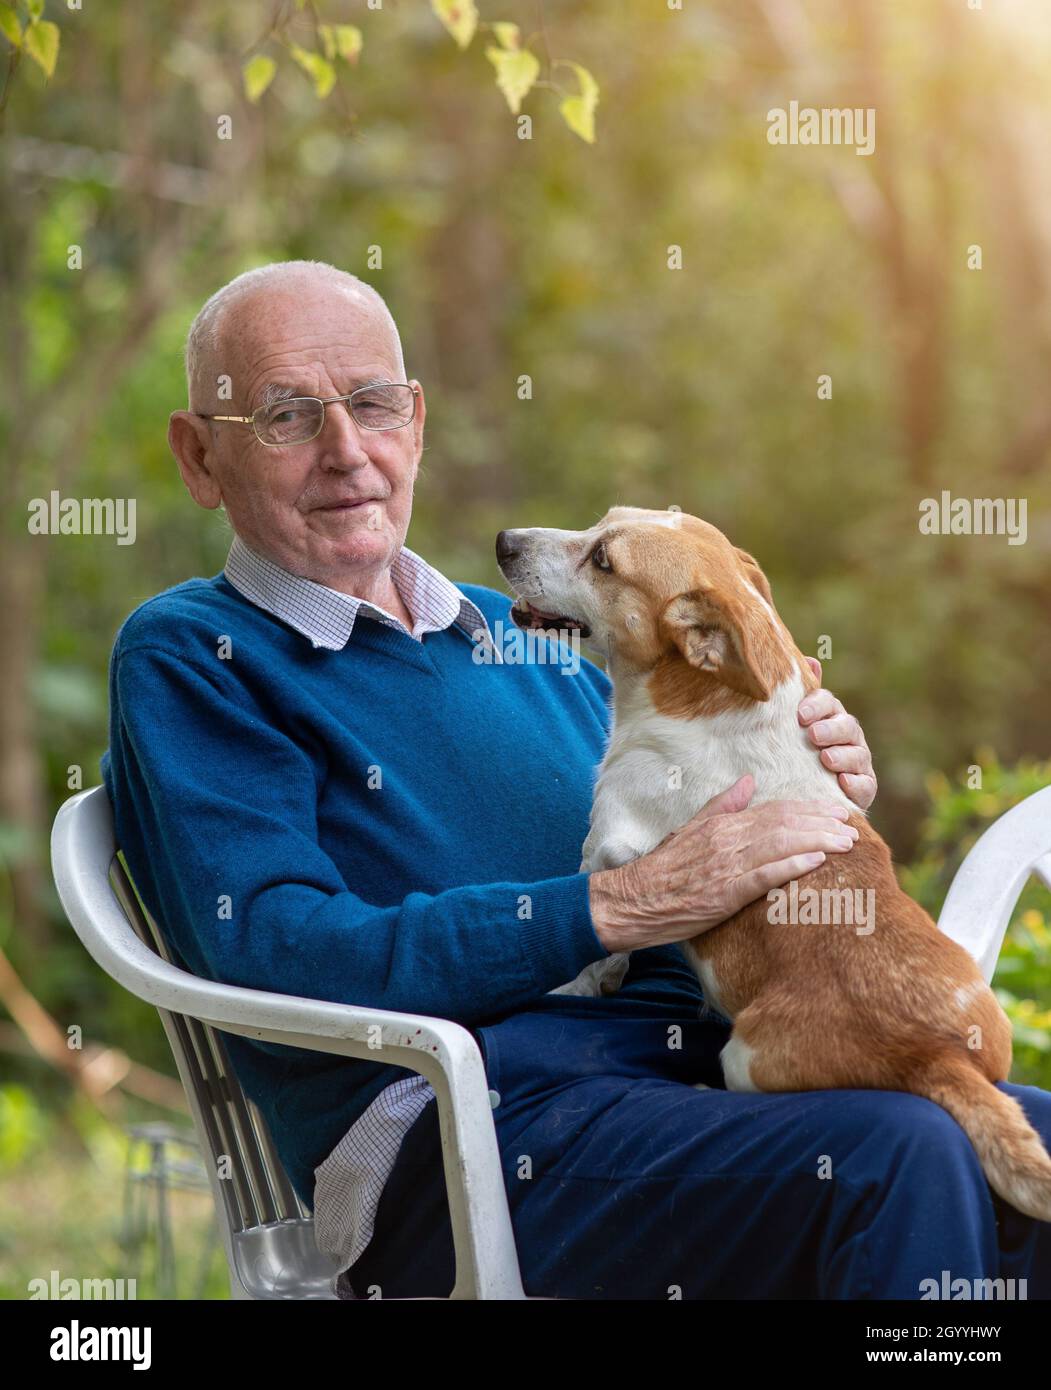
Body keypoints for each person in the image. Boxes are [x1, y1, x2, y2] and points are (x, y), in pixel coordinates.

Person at [101, 259, 1051, 1300]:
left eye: (372, 404)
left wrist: (795, 774)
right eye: (287, 415)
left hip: (687, 1070)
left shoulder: (528, 634)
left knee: (1021, 1138)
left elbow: (691, 830)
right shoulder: (197, 656)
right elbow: (273, 943)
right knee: (901, 1152)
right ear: (200, 456)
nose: (347, 451)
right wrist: (613, 907)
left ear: (414, 422)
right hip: (467, 1136)